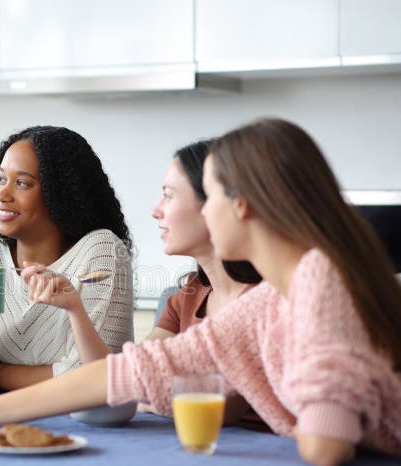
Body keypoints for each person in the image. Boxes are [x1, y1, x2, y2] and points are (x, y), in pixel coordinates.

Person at [0, 118, 401, 466]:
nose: (198, 213)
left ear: (243, 205)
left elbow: (326, 443)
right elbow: (135, 371)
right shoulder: (265, 304)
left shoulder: (318, 277)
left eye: (208, 197)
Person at [19, 139, 262, 424]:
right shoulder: (189, 296)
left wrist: (143, 391)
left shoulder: (261, 302)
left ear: (215, 204)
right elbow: (120, 378)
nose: (156, 210)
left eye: (169, 196)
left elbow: (221, 405)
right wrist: (75, 307)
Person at [0, 125, 133, 393]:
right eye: (2, 179)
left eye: (22, 183)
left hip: (76, 424)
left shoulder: (101, 251)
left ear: (60, 195)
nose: (0, 194)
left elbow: (93, 376)